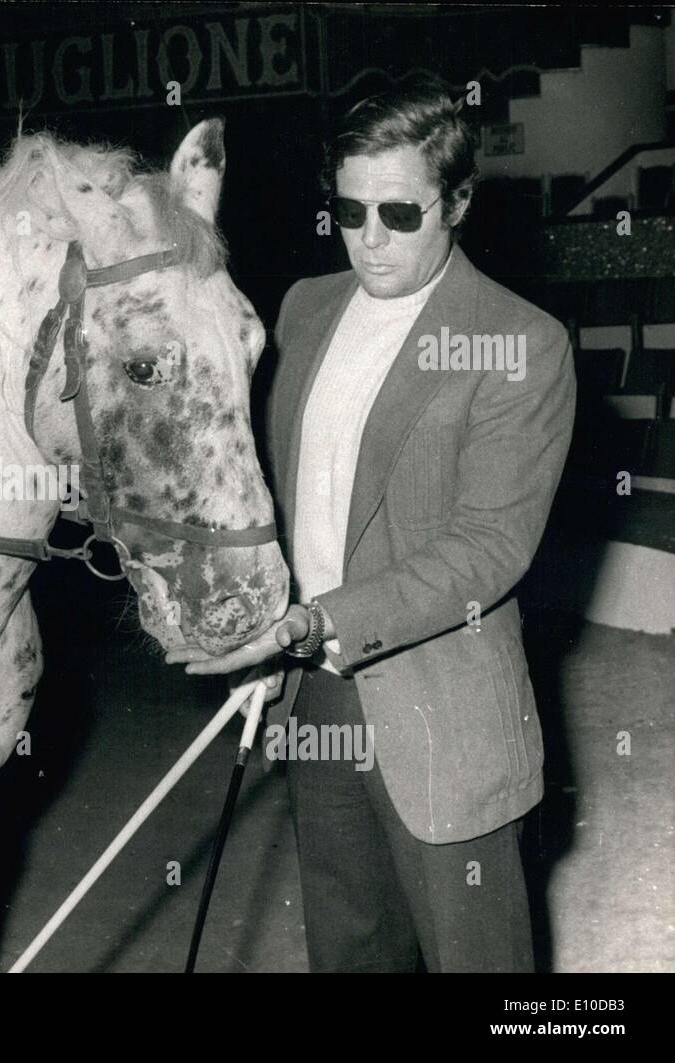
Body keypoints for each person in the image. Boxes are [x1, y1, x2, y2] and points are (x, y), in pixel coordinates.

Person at [168, 81, 576, 972]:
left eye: (400, 210)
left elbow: (488, 549)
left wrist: (321, 619)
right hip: (322, 695)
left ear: (459, 201)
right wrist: (272, 634)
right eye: (350, 210)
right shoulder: (306, 308)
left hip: (446, 714)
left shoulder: (520, 341)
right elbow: (281, 490)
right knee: (349, 953)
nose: (372, 238)